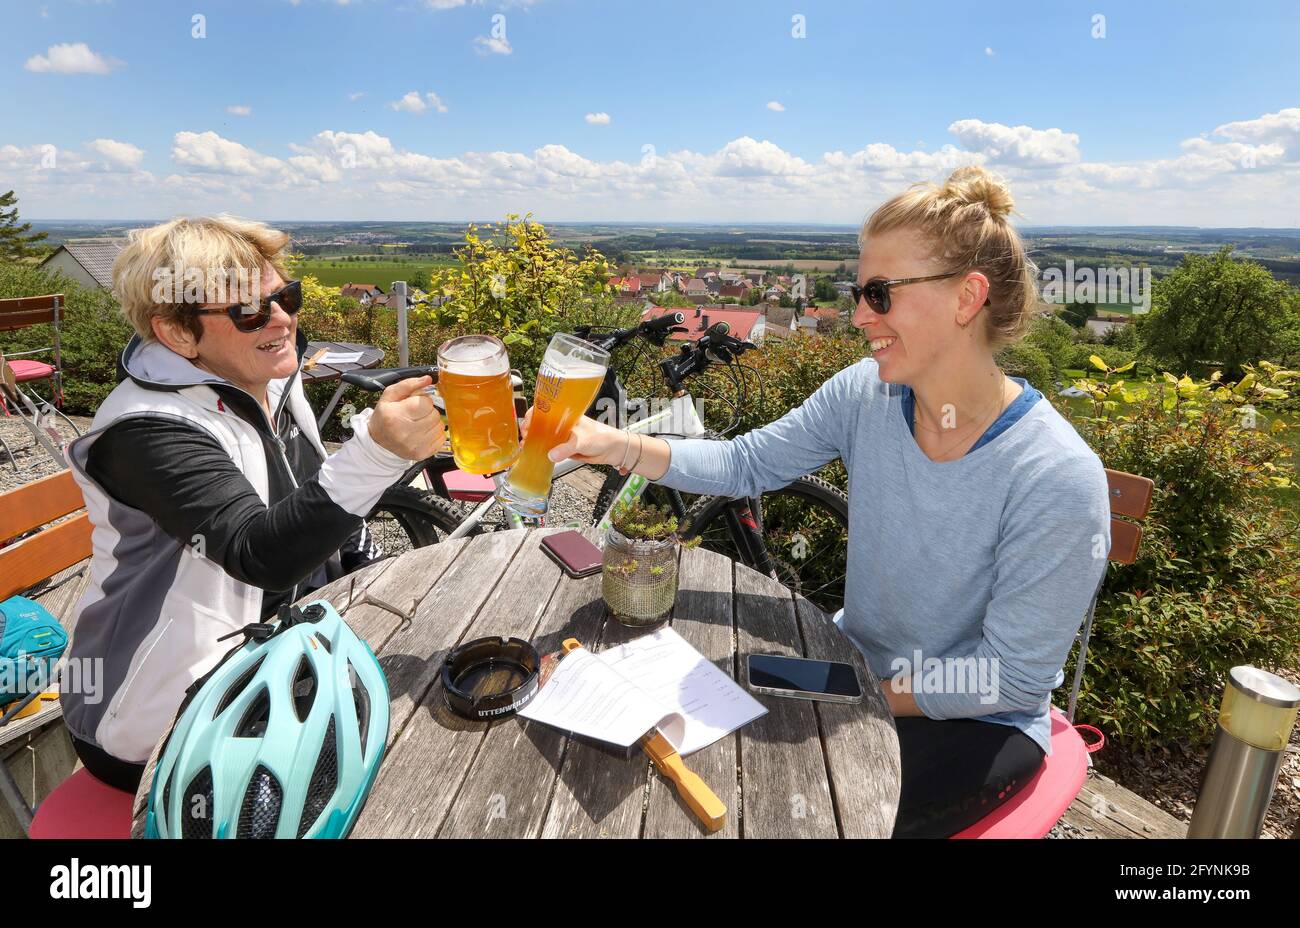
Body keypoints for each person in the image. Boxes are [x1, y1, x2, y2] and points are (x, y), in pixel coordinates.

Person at [534, 166, 1111, 838]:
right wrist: (613, 444)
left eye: (880, 293)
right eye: (858, 291)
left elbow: (1009, 680)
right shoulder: (865, 392)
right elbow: (747, 461)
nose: (861, 314)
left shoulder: (1055, 475)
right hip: (858, 666)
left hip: (976, 722)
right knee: (706, 709)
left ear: (966, 297)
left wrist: (852, 695)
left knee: (785, 810)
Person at [62, 216, 443, 793]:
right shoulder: (145, 429)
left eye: (284, 296)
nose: (282, 320)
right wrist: (380, 454)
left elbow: (307, 499)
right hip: (155, 715)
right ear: (177, 334)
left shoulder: (263, 377)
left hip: (273, 667)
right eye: (248, 312)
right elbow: (256, 552)